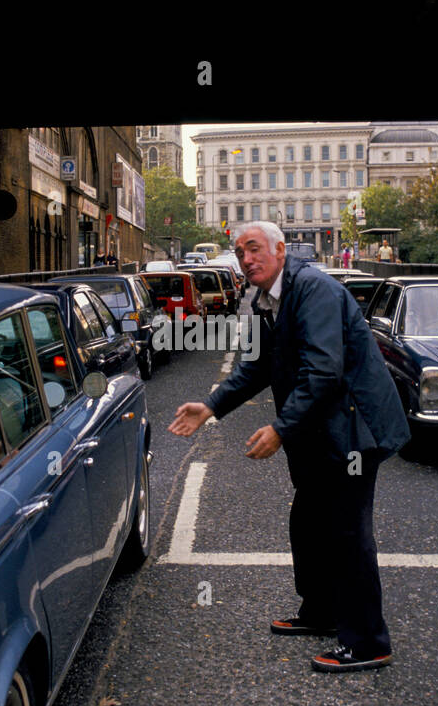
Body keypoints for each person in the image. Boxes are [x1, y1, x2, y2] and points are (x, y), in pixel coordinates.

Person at [168, 221, 410, 673]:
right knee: (310, 521)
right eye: (240, 252)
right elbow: (255, 367)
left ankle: (368, 642)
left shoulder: (313, 290)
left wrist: (279, 429)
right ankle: (321, 612)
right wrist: (211, 406)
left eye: (254, 249)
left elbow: (323, 371)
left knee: (347, 533)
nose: (246, 259)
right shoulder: (267, 300)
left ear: (280, 250)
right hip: (322, 430)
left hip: (355, 431)